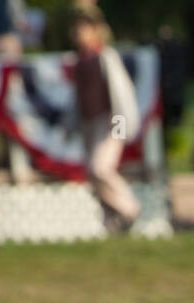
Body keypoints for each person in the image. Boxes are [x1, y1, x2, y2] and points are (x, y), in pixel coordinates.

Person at [69, 5, 141, 234]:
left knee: (101, 168)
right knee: (92, 173)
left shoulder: (104, 57)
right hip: (90, 123)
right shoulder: (80, 61)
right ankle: (112, 219)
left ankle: (129, 208)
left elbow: (120, 94)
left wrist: (120, 129)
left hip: (110, 122)